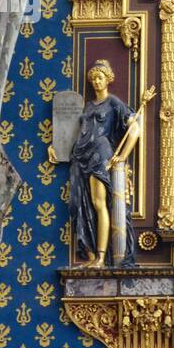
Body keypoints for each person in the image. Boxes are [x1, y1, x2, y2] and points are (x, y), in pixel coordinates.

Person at [68, 60, 136, 268]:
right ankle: (92, 256)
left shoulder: (114, 102)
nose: (96, 82)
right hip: (83, 156)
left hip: (101, 154)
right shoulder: (88, 106)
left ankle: (100, 257)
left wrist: (122, 156)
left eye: (100, 78)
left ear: (108, 80)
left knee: (99, 204)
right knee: (86, 204)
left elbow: (135, 130)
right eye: (94, 78)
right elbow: (78, 132)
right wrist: (59, 149)